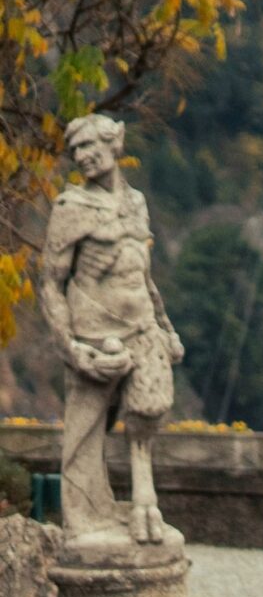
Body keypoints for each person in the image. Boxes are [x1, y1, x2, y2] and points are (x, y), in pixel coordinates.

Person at [37, 114, 185, 546]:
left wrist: (165, 326)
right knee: (84, 432)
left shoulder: (136, 202)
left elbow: (143, 273)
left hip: (141, 327)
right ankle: (85, 518)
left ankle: (143, 502)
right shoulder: (71, 208)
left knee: (149, 413)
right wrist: (71, 348)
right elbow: (50, 282)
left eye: (88, 145)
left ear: (113, 143)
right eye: (76, 150)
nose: (83, 155)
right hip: (94, 336)